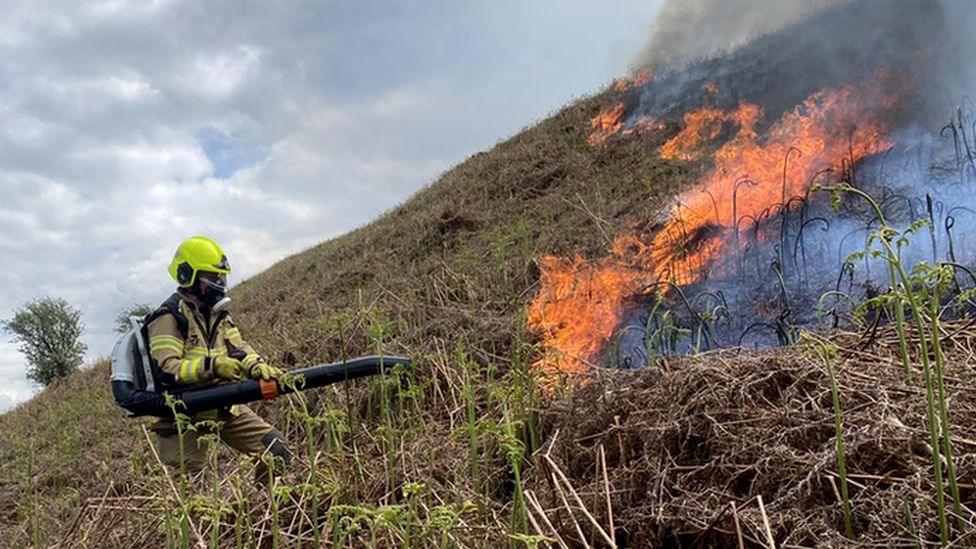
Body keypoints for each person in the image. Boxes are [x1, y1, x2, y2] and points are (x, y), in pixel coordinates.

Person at [146, 235, 291, 484]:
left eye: (221, 277)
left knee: (275, 451)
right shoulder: (168, 317)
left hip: (223, 403)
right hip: (183, 414)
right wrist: (213, 368)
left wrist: (255, 365)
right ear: (187, 276)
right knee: (192, 491)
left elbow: (239, 348)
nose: (219, 284)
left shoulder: (218, 315)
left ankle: (263, 510)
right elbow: (166, 370)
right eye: (212, 279)